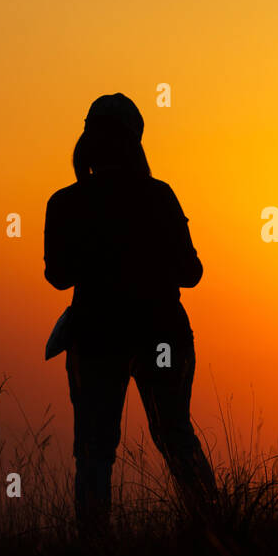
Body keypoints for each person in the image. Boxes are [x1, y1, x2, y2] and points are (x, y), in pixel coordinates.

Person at [44, 93, 218, 532]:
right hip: (161, 334)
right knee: (175, 435)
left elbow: (58, 276)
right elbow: (192, 273)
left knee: (94, 449)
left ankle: (94, 551)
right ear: (135, 141)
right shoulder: (159, 197)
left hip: (96, 336)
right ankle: (216, 533)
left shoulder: (65, 203)